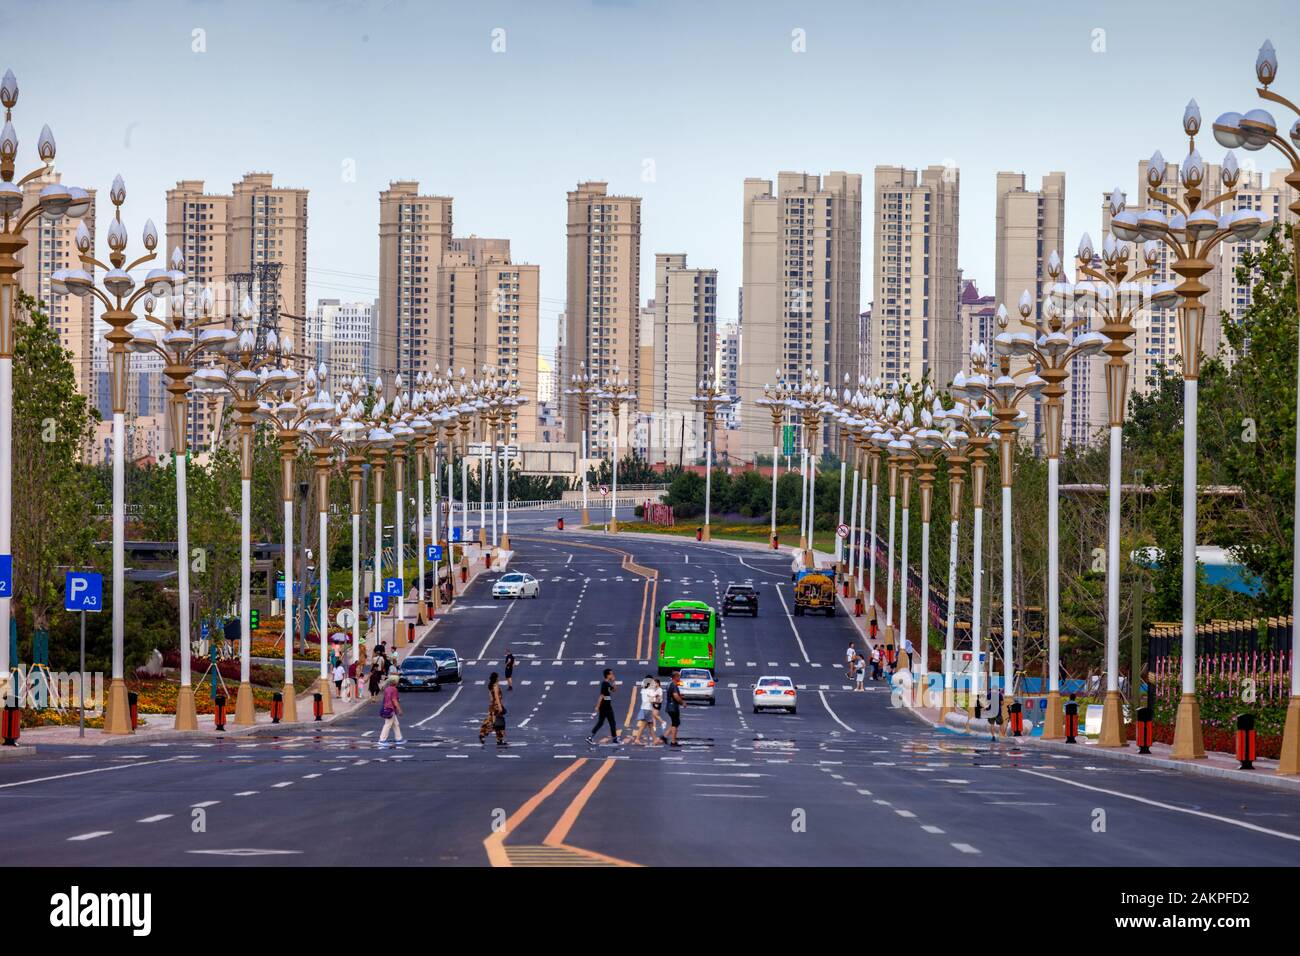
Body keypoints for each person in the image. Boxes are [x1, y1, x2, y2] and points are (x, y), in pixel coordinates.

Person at [587, 668, 621, 745]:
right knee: (612, 722)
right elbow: (601, 696)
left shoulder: (608, 684)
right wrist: (597, 706)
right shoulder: (604, 684)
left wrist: (613, 681)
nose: (612, 675)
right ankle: (615, 739)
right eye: (611, 674)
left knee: (601, 723)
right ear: (607, 675)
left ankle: (590, 737)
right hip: (605, 707)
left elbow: (614, 690)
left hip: (606, 706)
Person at [479, 671, 507, 746]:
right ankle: (499, 739)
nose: (499, 678)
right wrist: (500, 706)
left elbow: (491, 698)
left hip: (492, 706)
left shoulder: (491, 686)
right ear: (496, 678)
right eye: (498, 677)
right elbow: (497, 697)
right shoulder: (495, 686)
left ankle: (482, 734)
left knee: (491, 721)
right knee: (498, 723)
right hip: (496, 706)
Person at [376, 675, 404, 747]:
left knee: (395, 724)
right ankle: (382, 740)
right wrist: (399, 709)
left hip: (387, 707)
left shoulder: (387, 689)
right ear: (395, 682)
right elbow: (394, 700)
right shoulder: (394, 689)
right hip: (390, 709)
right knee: (388, 724)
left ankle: (399, 738)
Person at [629, 677, 657, 745]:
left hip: (644, 708)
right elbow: (652, 700)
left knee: (650, 725)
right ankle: (637, 739)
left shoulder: (644, 690)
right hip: (647, 709)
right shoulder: (650, 690)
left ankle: (655, 740)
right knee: (643, 725)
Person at [659, 672, 684, 747]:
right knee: (675, 723)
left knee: (675, 722)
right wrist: (682, 702)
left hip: (669, 706)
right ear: (675, 677)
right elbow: (675, 695)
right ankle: (673, 741)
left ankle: (664, 737)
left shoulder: (669, 684)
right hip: (673, 707)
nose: (680, 678)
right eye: (679, 677)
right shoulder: (673, 685)